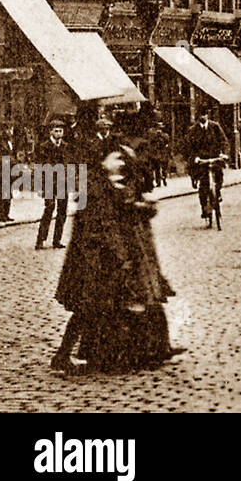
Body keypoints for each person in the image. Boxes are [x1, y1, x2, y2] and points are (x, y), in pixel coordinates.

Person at [51, 122, 181, 375]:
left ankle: (137, 352)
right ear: (103, 160)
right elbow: (103, 224)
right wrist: (120, 254)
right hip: (92, 259)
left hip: (102, 257)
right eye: (114, 158)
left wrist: (138, 207)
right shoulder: (96, 187)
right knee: (88, 310)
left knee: (105, 307)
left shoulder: (109, 183)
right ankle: (64, 356)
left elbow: (123, 211)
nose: (119, 162)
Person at [184, 109, 230, 224]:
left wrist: (223, 153)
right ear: (198, 116)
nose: (203, 117)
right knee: (203, 187)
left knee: (219, 176)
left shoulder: (215, 127)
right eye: (200, 115)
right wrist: (194, 157)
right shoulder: (193, 130)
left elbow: (223, 141)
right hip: (201, 160)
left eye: (204, 114)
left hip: (215, 158)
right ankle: (205, 208)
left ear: (207, 115)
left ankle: (217, 192)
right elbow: (188, 147)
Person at [35, 116, 73, 250]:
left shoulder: (67, 147)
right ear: (51, 132)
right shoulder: (43, 147)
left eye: (61, 131)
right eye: (56, 131)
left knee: (62, 212)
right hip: (49, 184)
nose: (59, 134)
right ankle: (41, 239)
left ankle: (57, 240)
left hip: (63, 184)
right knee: (49, 210)